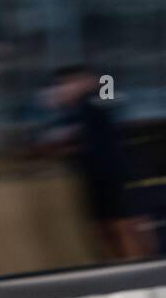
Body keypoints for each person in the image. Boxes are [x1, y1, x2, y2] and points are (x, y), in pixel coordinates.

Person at [42, 65, 147, 258]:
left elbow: (86, 139)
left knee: (122, 227)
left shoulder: (96, 104)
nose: (62, 90)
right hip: (98, 179)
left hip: (113, 177)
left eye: (67, 84)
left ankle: (137, 270)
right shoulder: (78, 111)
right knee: (107, 229)